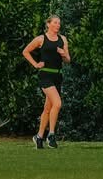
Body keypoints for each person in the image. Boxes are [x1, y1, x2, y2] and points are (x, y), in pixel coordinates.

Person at [21, 15, 70, 148]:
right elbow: (25, 51)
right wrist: (35, 64)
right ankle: (51, 135)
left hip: (57, 76)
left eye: (59, 23)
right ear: (48, 24)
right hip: (45, 75)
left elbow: (68, 60)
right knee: (58, 103)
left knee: (48, 108)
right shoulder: (41, 39)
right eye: (55, 23)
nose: (58, 25)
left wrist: (63, 54)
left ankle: (39, 136)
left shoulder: (63, 39)